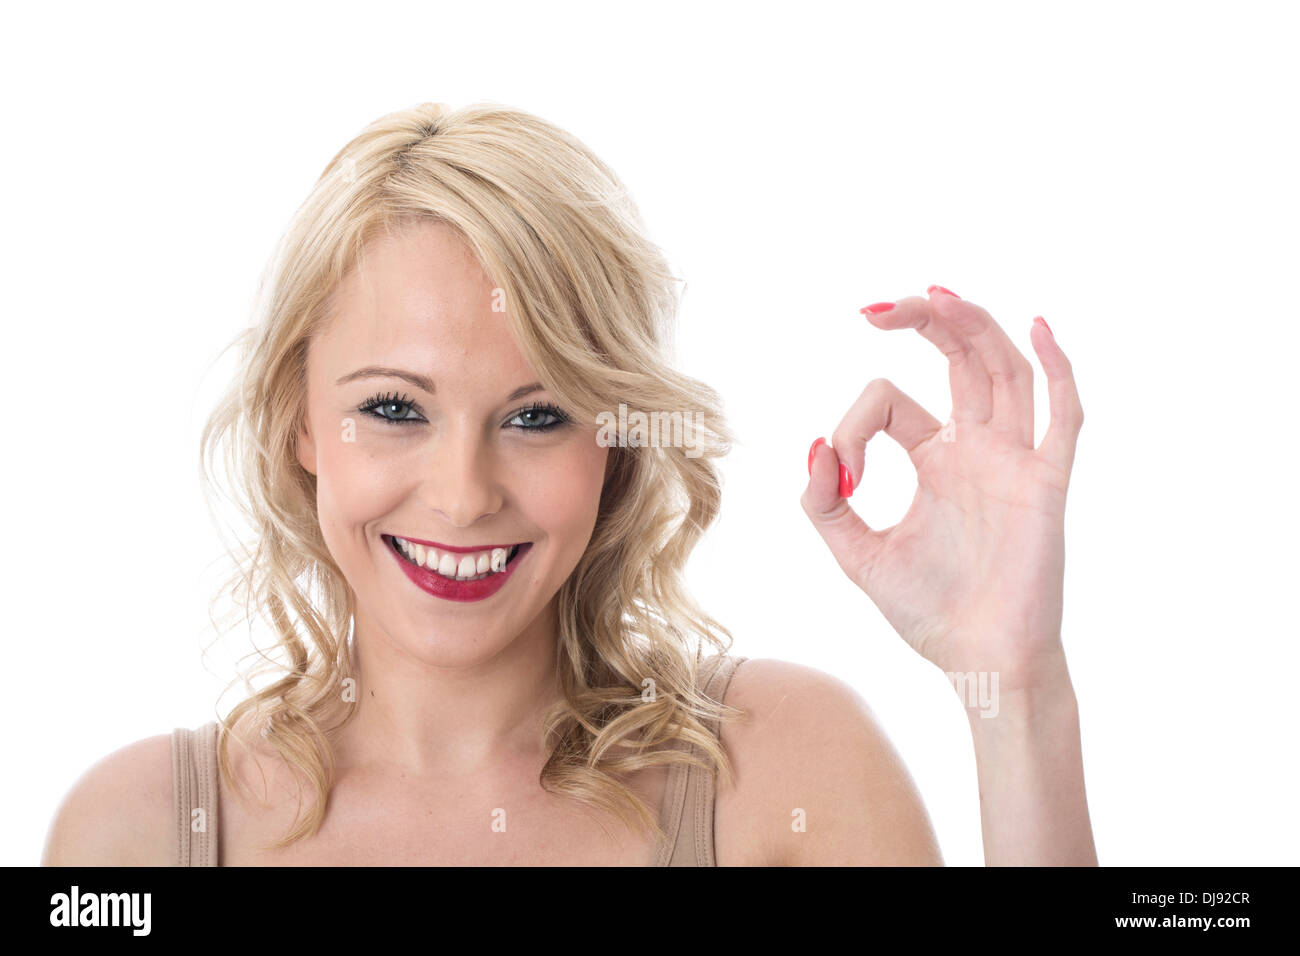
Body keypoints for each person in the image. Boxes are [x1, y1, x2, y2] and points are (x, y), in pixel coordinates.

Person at [41, 102, 1094, 866]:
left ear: (618, 444)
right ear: (299, 423)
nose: (461, 495)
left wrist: (1019, 689)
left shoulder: (785, 768)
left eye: (537, 416)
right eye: (395, 408)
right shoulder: (135, 833)